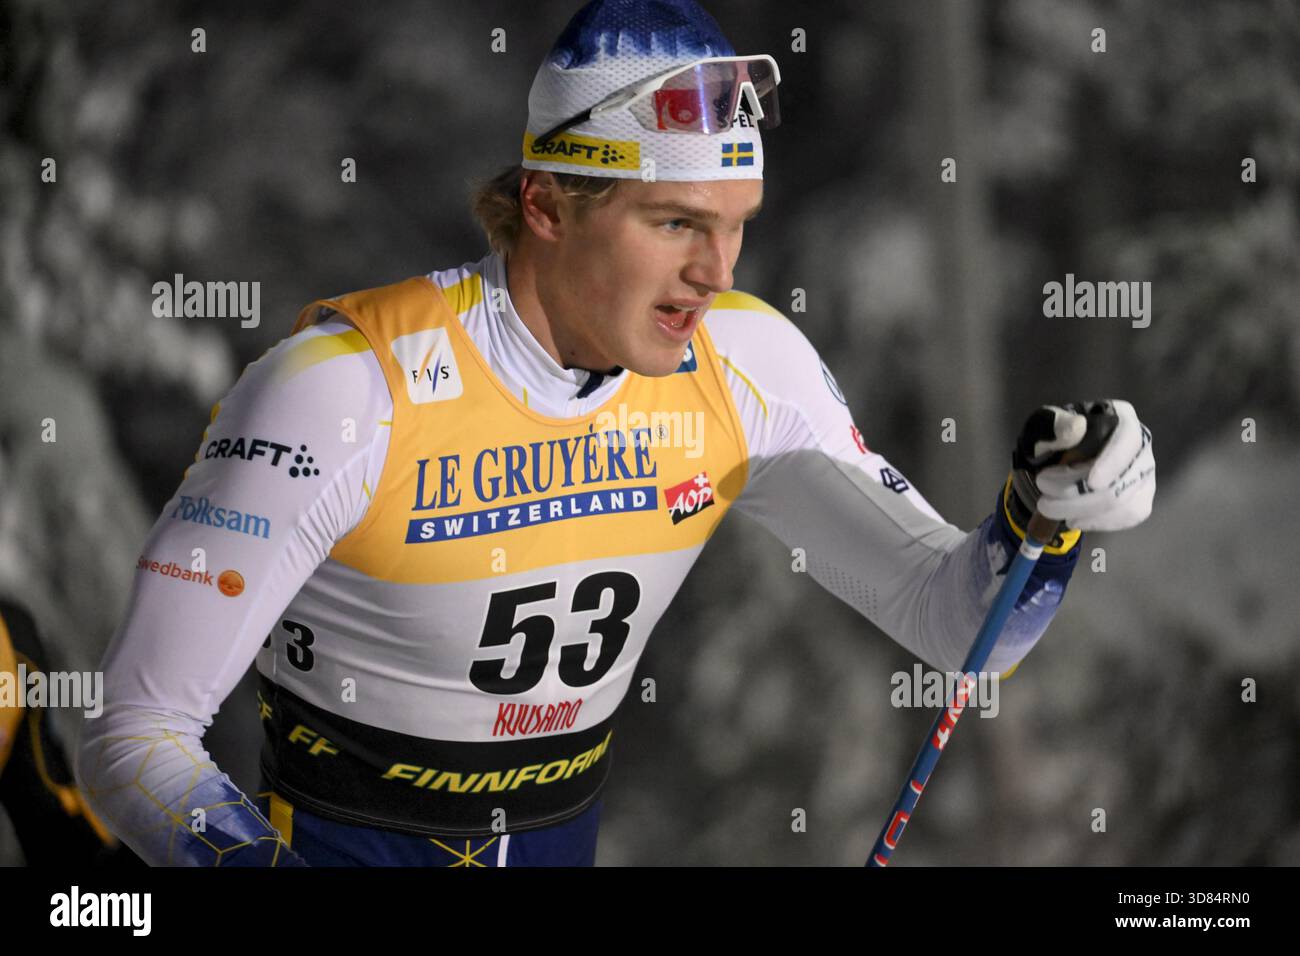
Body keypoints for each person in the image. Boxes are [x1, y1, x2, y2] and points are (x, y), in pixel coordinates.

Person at [75, 0, 1155, 867]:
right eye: (676, 222)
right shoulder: (344, 392)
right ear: (546, 205)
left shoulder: (742, 365)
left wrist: (1040, 521)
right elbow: (134, 733)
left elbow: (960, 628)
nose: (715, 273)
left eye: (734, 227)